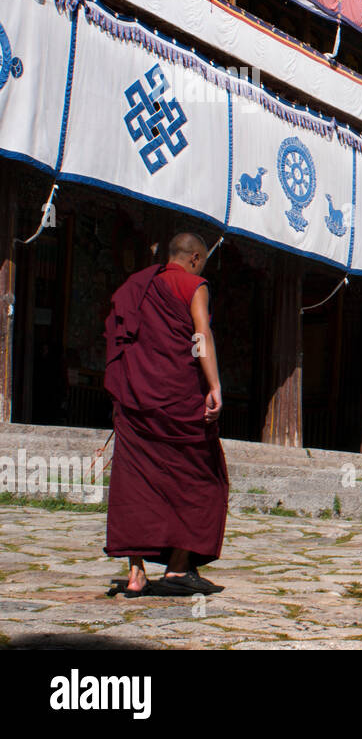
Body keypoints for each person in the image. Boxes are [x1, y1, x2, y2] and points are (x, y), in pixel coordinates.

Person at [104, 233, 227, 597]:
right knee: (203, 480)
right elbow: (200, 335)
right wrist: (214, 384)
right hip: (180, 403)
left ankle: (136, 572)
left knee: (136, 482)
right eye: (202, 261)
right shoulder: (193, 285)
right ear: (193, 258)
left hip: (138, 400)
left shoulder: (138, 286)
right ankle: (176, 569)